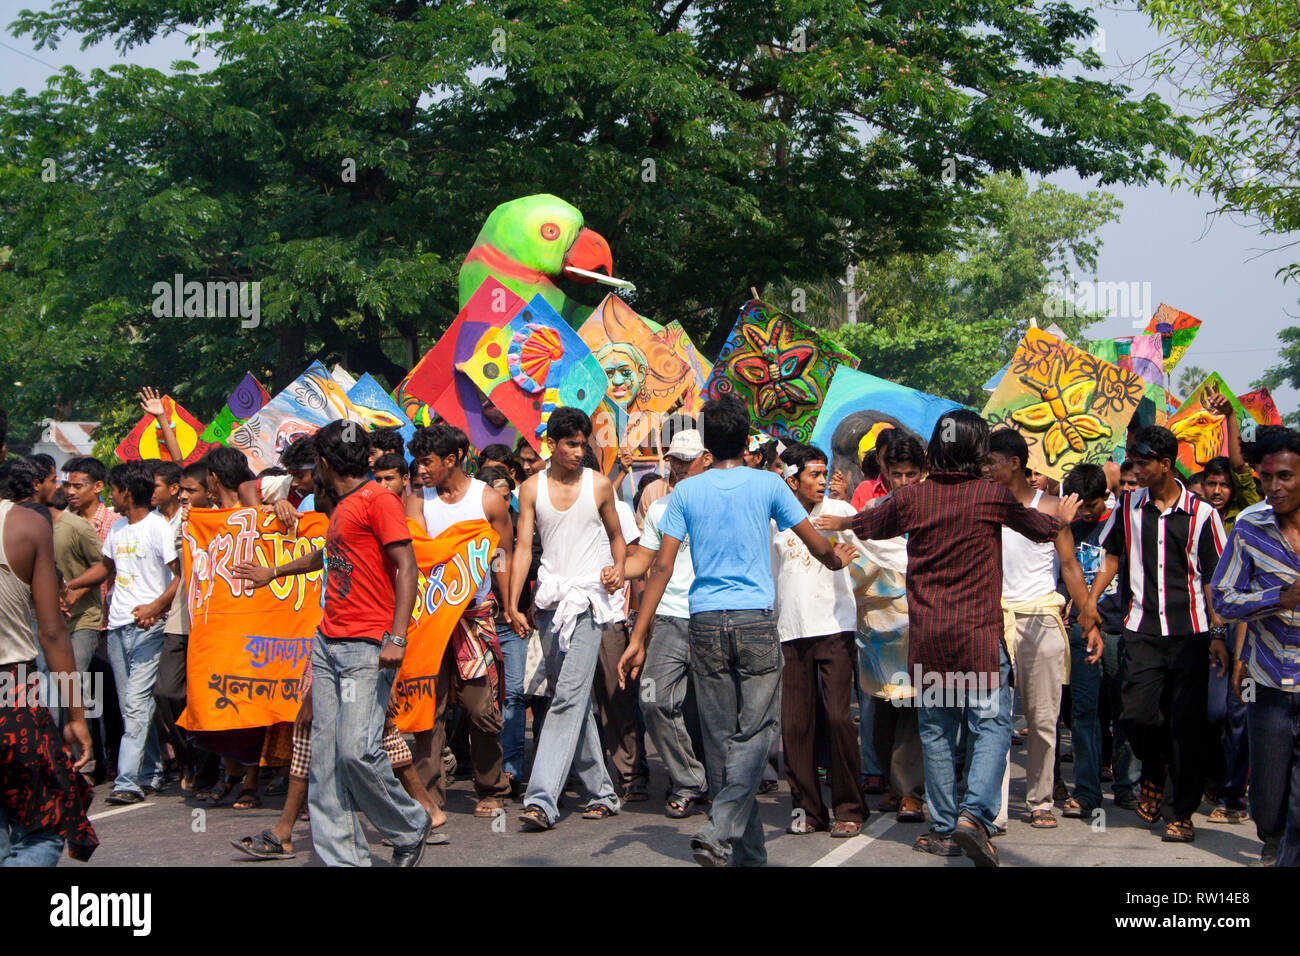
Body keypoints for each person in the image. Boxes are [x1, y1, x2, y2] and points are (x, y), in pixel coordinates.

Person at [815, 410, 1079, 866]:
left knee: (936, 730)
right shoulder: (990, 495)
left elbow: (870, 524)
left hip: (931, 637)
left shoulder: (915, 498)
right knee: (991, 725)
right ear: (977, 448)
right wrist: (1063, 518)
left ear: (935, 448)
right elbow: (1041, 531)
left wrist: (838, 525)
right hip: (977, 638)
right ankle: (973, 816)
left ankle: (941, 827)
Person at [620, 395, 847, 867]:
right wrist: (834, 559)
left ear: (706, 445)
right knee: (757, 733)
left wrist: (639, 635)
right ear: (746, 443)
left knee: (723, 740)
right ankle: (722, 827)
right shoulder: (766, 483)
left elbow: (660, 569)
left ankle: (746, 856)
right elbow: (814, 541)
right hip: (755, 622)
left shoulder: (683, 493)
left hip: (703, 622)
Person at [237, 420, 430, 866]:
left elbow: (407, 565)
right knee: (324, 761)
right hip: (328, 644)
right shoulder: (343, 505)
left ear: (324, 464)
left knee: (357, 750)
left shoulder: (378, 500)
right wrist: (275, 572)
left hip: (366, 646)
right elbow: (332, 553)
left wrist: (397, 637)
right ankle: (344, 859)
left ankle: (409, 826)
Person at [1087, 426, 1229, 844]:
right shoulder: (1128, 506)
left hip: (1191, 635)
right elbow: (1111, 556)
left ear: (1165, 465)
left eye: (1144, 462)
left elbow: (1213, 582)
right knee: (1136, 715)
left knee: (1187, 725)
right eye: (1133, 461)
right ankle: (1153, 770)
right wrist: (1090, 602)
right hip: (1140, 629)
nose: (1136, 469)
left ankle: (1180, 812)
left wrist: (1219, 633)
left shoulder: (1203, 515)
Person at [511, 407, 627, 831]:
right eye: (571, 444)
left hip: (589, 605)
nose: (579, 451)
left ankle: (541, 798)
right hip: (548, 604)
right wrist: (512, 602)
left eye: (584, 444)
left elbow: (617, 536)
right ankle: (602, 791)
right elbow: (523, 548)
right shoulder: (529, 488)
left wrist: (616, 569)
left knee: (566, 698)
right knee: (571, 700)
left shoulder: (599, 485)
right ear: (552, 444)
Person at [985, 429, 1099, 831]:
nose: (986, 468)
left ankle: (1040, 799)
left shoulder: (1052, 507)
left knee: (1044, 717)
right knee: (992, 717)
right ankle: (991, 807)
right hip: (995, 620)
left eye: (992, 461)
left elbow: (1069, 566)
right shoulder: (985, 505)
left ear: (1014, 463)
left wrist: (1089, 616)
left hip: (1041, 618)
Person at [405, 423, 516, 819]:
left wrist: (509, 603)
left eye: (428, 461)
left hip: (472, 616)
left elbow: (502, 554)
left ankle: (491, 785)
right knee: (427, 709)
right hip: (430, 618)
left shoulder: (488, 501)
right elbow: (418, 551)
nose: (420, 469)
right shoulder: (417, 498)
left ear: (452, 460)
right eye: (417, 461)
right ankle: (429, 797)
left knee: (480, 707)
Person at [62, 461, 180, 805]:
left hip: (148, 629)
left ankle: (128, 781)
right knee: (135, 706)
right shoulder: (119, 529)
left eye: (113, 489)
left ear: (126, 492)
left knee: (135, 705)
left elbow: (180, 577)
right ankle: (152, 771)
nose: (111, 495)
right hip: (116, 629)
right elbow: (105, 568)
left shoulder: (158, 528)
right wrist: (72, 585)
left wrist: (155, 608)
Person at [1211, 428, 1300, 865]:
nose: (1274, 487)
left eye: (1284, 476)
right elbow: (1223, 598)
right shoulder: (1250, 527)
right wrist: (1277, 599)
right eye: (1267, 478)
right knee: (1268, 794)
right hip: (1268, 682)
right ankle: (1272, 836)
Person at [771, 442, 866, 837]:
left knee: (838, 717)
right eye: (814, 474)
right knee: (795, 725)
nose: (823, 481)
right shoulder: (774, 520)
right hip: (791, 632)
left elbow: (868, 559)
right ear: (791, 480)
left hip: (835, 627)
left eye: (824, 473)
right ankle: (807, 810)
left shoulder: (841, 513)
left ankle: (849, 807)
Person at [0, 490, 98, 864]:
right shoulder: (24, 526)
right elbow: (53, 632)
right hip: (11, 694)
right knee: (42, 828)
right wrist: (76, 717)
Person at [622, 429, 711, 819]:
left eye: (685, 459)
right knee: (653, 698)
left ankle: (722, 786)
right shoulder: (660, 510)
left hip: (715, 614)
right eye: (673, 459)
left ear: (706, 459)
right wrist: (614, 572)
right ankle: (691, 778)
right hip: (672, 617)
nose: (677, 466)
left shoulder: (721, 504)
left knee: (715, 710)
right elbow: (645, 563)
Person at [1058, 463, 1139, 818]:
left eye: (1090, 506)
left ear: (1105, 497)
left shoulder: (1123, 526)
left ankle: (1128, 787)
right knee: (1084, 712)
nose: (1085, 513)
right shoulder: (1066, 530)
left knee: (1125, 711)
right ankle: (1087, 791)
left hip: (1119, 630)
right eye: (1079, 506)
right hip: (1079, 630)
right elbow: (1061, 573)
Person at [1200, 387, 1260, 825]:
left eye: (1225, 484)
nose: (1219, 490)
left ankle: (1234, 798)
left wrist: (1230, 418)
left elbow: (1241, 468)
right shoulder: (1196, 516)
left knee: (1236, 714)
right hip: (1199, 629)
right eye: (1212, 484)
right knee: (1208, 713)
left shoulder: (1249, 513)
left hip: (1243, 628)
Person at [862, 435, 928, 825]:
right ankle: (892, 781)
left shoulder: (934, 509)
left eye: (911, 474)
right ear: (885, 473)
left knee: (915, 709)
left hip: (923, 622)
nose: (904, 481)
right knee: (883, 708)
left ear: (924, 474)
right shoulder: (873, 510)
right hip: (880, 629)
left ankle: (910, 792)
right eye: (897, 473)